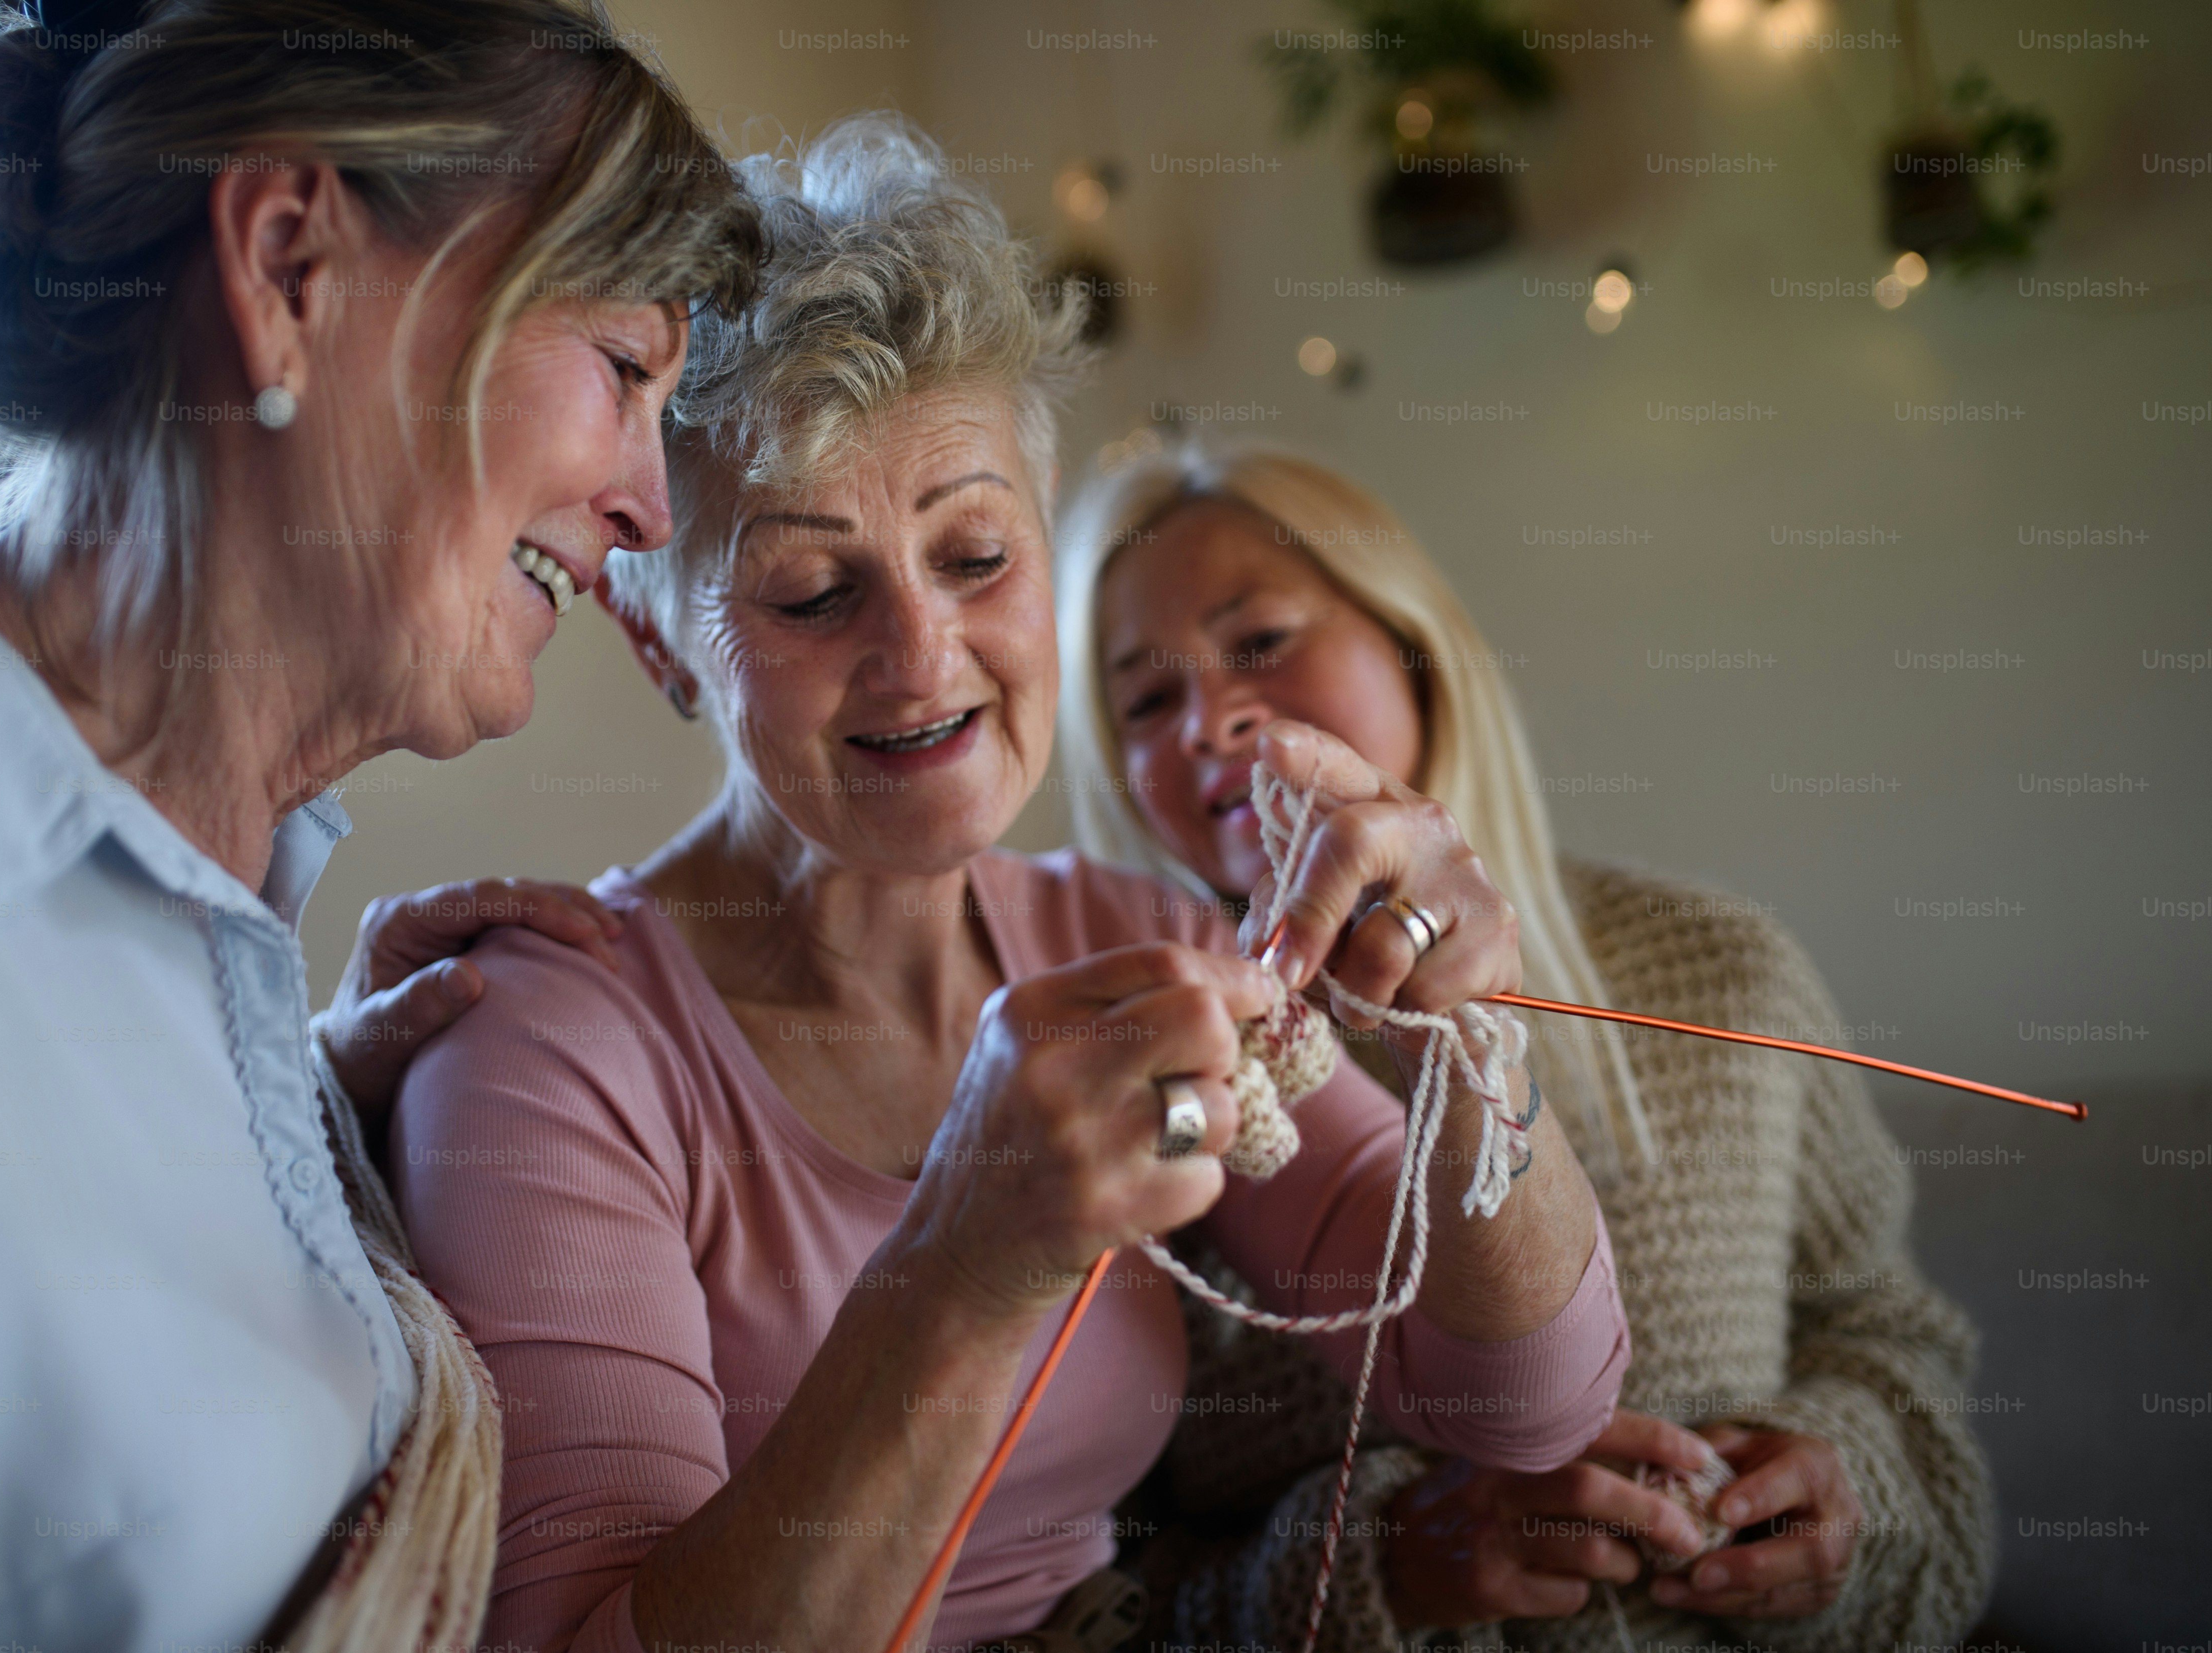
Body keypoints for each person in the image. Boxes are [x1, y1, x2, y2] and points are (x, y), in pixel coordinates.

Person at [391, 115, 1664, 1653]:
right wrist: (965, 1261)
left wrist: (1476, 1030)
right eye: (810, 590)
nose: (922, 657)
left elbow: (1516, 1399)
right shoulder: (540, 1045)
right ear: (657, 636)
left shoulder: (1130, 941)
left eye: (977, 557)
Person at [0, 3, 757, 1648]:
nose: (647, 506)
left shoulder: (234, 932)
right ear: (288, 269)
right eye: (624, 366)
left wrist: (324, 1120)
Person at [1052, 445, 1996, 1649]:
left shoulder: (1717, 969)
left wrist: (1853, 1484)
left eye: (1261, 640)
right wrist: (1387, 1566)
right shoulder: (1128, 1097)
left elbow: (1891, 1329)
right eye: (1144, 698)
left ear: (1415, 645)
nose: (1208, 720)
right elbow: (1096, 1590)